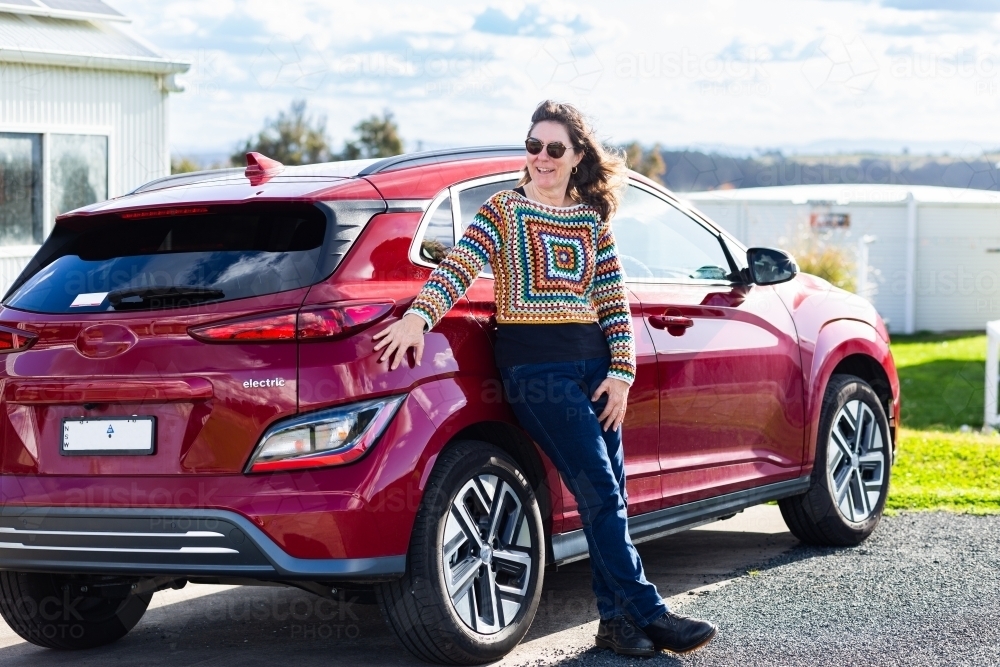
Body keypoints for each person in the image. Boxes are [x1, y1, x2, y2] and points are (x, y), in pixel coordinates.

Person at [372, 100, 717, 657]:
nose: (542, 157)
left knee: (613, 495)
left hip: (595, 368)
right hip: (536, 369)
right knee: (600, 490)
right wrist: (418, 316)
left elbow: (612, 304)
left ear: (577, 156)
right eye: (534, 146)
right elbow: (458, 266)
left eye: (555, 148)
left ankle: (616, 625)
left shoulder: (590, 220)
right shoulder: (504, 211)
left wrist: (622, 375)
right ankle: (650, 610)